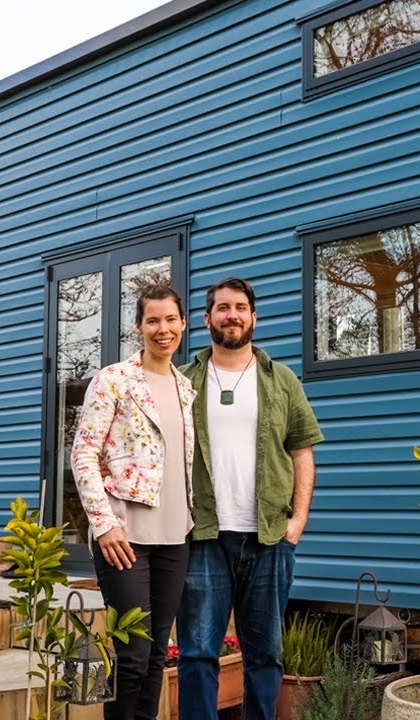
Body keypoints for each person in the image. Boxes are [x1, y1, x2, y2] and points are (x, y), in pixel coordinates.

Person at [176, 277, 324, 720]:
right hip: (202, 535)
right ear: (206, 319)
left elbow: (303, 452)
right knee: (198, 651)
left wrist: (298, 521)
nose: (232, 315)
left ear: (254, 317)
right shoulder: (183, 382)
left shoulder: (281, 380)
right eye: (222, 308)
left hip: (269, 536)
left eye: (240, 307)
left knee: (266, 654)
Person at [70, 284, 196, 720]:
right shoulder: (114, 380)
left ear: (183, 323)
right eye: (153, 320)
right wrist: (104, 524)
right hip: (124, 536)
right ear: (139, 326)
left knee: (158, 655)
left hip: (176, 536)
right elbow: (83, 452)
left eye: (171, 320)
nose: (163, 329)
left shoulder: (185, 388)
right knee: (133, 655)